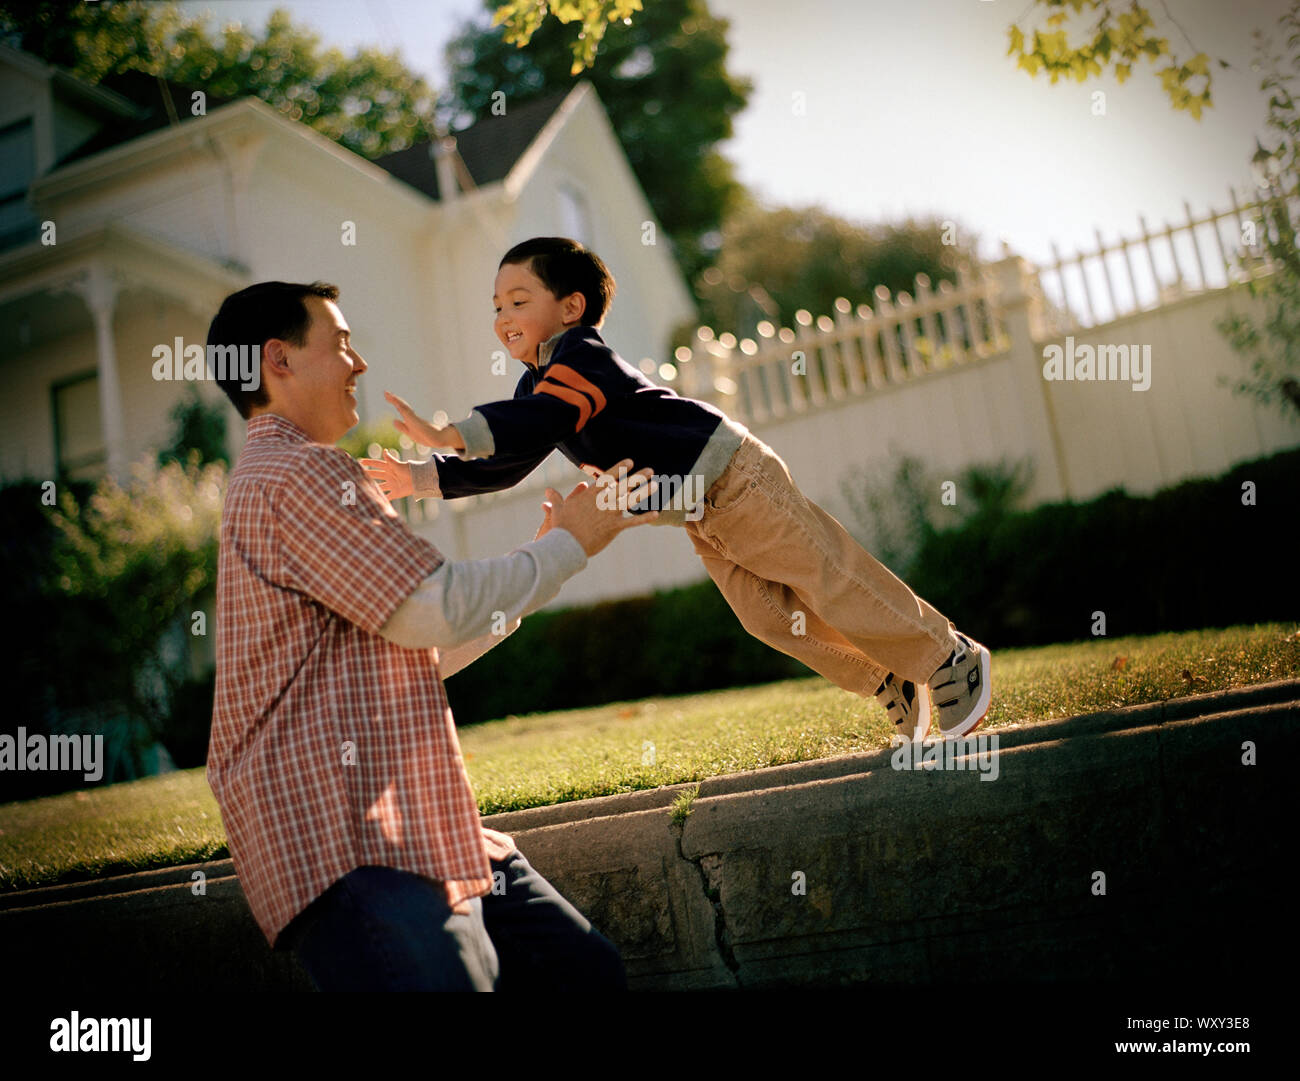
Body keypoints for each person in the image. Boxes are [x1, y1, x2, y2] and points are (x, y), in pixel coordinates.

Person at [205, 280, 658, 991]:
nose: (358, 365)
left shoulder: (275, 477)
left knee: (583, 971)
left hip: (414, 831)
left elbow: (424, 644)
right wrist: (566, 546)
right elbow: (433, 608)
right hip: (348, 838)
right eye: (342, 344)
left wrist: (544, 563)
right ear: (278, 361)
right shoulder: (300, 471)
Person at [362, 237, 992, 742]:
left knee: (829, 575)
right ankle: (886, 677)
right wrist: (421, 478)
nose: (503, 317)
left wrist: (450, 430)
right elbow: (511, 458)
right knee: (767, 617)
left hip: (734, 478)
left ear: (572, 307)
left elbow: (536, 423)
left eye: (518, 300)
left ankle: (948, 658)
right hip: (700, 509)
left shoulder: (581, 357)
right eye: (497, 306)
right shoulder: (539, 391)